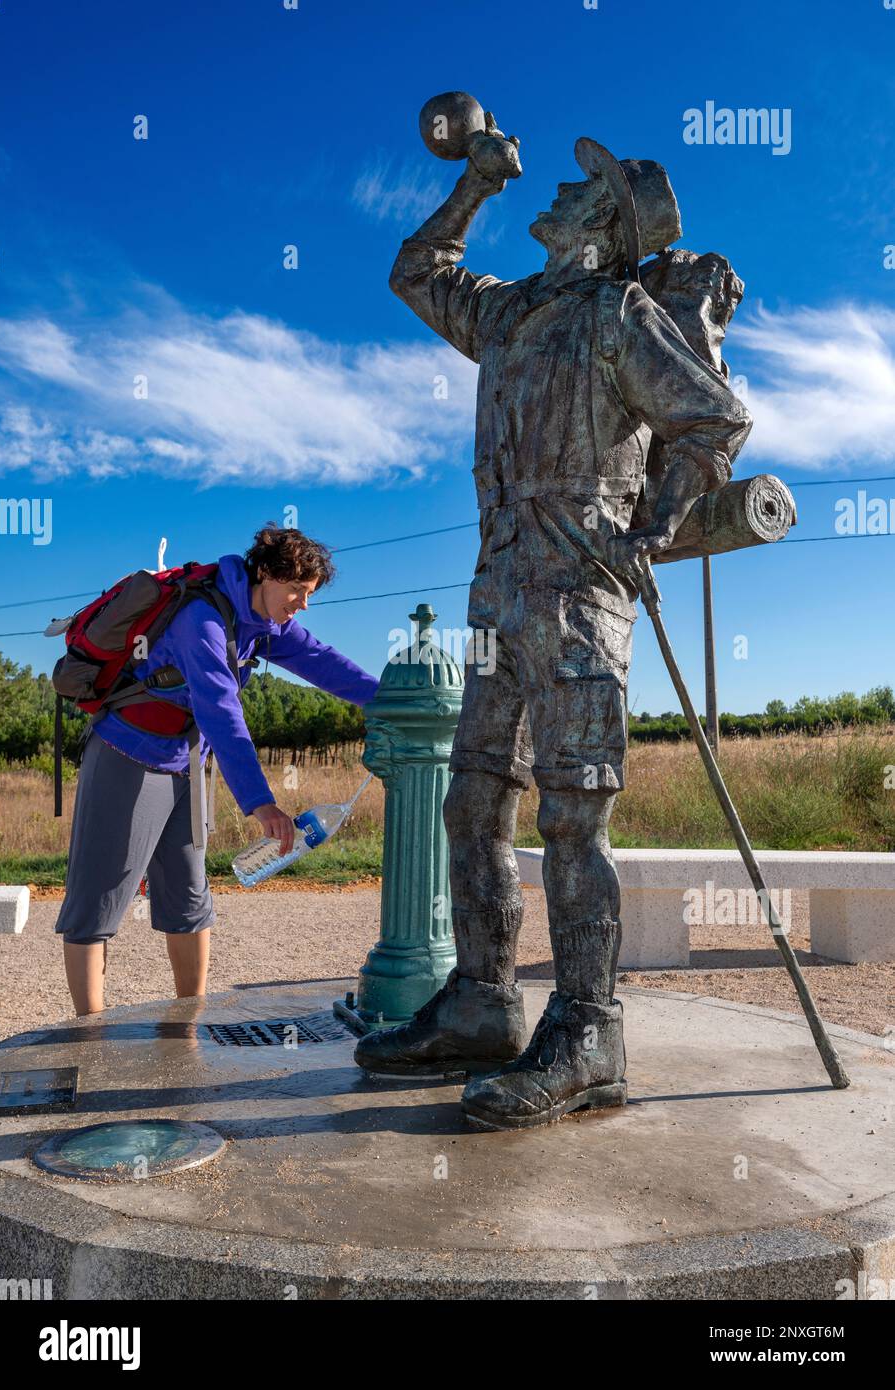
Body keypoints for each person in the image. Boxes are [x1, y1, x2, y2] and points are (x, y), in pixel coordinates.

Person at [354, 118, 752, 1129]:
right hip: (498, 594)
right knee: (472, 802)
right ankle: (485, 1000)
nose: (563, 194)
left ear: (607, 221)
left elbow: (714, 418)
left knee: (573, 815)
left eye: (585, 190)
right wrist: (475, 185)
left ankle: (588, 1032)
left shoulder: (619, 312)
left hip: (580, 599)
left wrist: (649, 529)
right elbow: (415, 269)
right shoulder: (511, 312)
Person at [55, 524, 380, 1016]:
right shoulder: (201, 620)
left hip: (185, 765)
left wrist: (392, 700)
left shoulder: (266, 625)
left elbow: (322, 661)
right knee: (98, 898)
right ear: (266, 574)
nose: (302, 604)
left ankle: (190, 1020)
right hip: (127, 753)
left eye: (309, 594)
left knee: (188, 898)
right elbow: (221, 712)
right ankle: (88, 1035)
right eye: (297, 590)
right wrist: (261, 803)